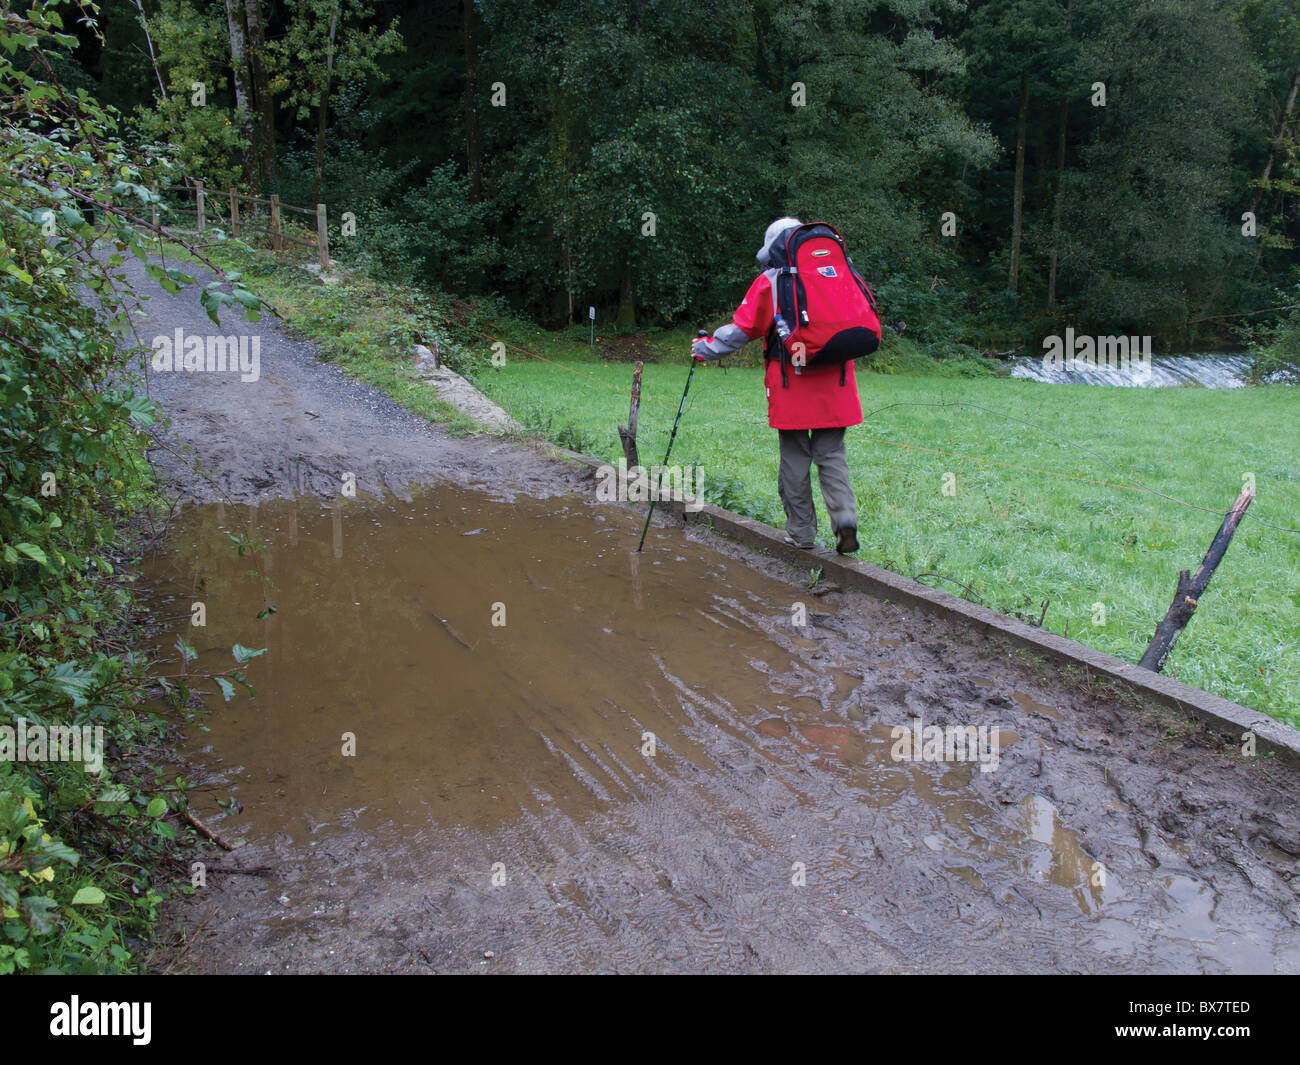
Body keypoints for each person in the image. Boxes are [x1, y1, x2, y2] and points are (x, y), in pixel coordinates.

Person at [691, 217, 869, 554]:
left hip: (792, 386)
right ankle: (845, 519)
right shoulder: (837, 270)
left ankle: (801, 534)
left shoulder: (770, 281)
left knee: (795, 459)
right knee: (831, 455)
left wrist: (705, 348)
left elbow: (743, 329)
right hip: (838, 384)